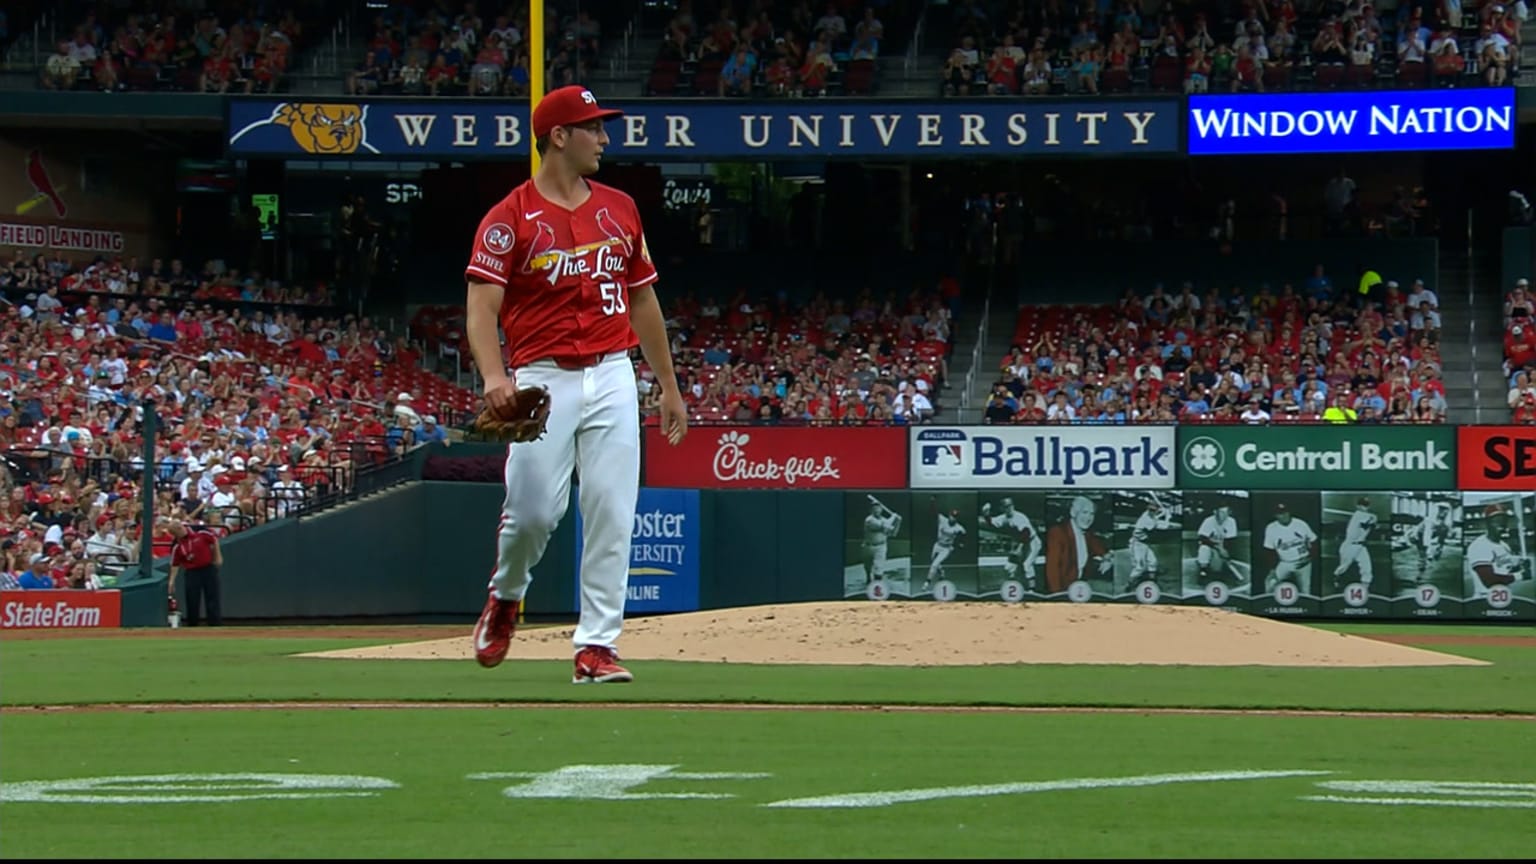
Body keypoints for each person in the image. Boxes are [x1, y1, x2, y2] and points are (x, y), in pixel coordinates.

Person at [464, 86, 688, 685]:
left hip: (614, 371)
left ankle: (596, 647)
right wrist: (493, 376)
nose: (604, 138)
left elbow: (643, 298)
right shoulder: (508, 218)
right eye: (593, 127)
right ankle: (507, 595)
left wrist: (666, 383)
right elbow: (481, 310)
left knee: (614, 512)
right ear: (558, 136)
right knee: (534, 513)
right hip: (543, 378)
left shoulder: (620, 207)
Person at [1044, 496, 1112, 593]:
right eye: (1084, 512)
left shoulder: (1087, 534)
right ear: (1073, 513)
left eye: (1091, 514)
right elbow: (1052, 569)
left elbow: (1101, 550)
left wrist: (1107, 559)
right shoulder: (1058, 533)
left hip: (1078, 587)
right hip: (1062, 590)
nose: (1088, 518)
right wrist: (1057, 596)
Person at [166, 518, 224, 626]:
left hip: (208, 568)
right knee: (192, 600)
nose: (175, 536)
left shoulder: (200, 532)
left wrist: (218, 556)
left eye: (175, 532)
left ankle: (215, 624)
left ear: (180, 528)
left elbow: (213, 539)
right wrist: (171, 581)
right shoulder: (177, 545)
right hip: (192, 572)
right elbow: (175, 564)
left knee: (212, 597)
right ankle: (193, 625)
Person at [980, 497, 1040, 590]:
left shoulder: (1019, 517)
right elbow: (992, 523)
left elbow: (1026, 533)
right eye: (1006, 506)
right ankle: (1013, 588)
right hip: (1022, 542)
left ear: (1013, 506)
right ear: (1002, 508)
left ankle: (1032, 591)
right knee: (1009, 567)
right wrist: (986, 515)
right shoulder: (1004, 517)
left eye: (1010, 505)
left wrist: (1019, 548)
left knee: (1027, 565)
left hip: (1032, 542)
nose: (1009, 508)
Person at [1262, 502, 1317, 595]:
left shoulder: (1301, 524)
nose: (1284, 516)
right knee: (1270, 583)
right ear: (1275, 515)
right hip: (1285, 563)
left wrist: (1311, 558)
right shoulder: (1271, 528)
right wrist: (1272, 569)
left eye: (1285, 512)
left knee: (1305, 591)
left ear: (1289, 512)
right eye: (1280, 513)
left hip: (1303, 563)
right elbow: (1269, 550)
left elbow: (1314, 541)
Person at [1125, 496, 1174, 592]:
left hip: (1145, 544)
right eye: (1151, 510)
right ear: (1148, 510)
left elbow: (1155, 518)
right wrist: (1167, 517)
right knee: (1140, 567)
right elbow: (1158, 528)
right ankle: (1129, 584)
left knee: (1153, 562)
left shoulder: (1148, 515)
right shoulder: (1146, 519)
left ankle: (1152, 581)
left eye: (1154, 510)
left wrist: (1162, 513)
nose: (1153, 511)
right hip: (1137, 544)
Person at [1331, 496, 1379, 592]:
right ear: (1358, 506)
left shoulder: (1364, 515)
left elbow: (1373, 525)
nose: (1365, 507)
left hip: (1361, 546)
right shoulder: (1358, 515)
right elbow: (1369, 522)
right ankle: (1336, 578)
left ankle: (1365, 588)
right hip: (1350, 546)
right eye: (1362, 505)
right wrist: (1374, 518)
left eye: (1366, 505)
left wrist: (1374, 520)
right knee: (1343, 567)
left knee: (1367, 568)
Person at [922, 498, 966, 591]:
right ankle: (942, 572)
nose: (952, 518)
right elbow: (934, 512)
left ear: (957, 518)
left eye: (955, 517)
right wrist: (932, 502)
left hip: (946, 549)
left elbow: (963, 535)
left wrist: (961, 543)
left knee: (934, 565)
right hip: (937, 545)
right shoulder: (942, 519)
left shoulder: (959, 528)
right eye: (952, 516)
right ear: (949, 515)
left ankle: (927, 583)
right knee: (934, 561)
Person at [861, 496, 903, 588]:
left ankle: (876, 587)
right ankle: (868, 578)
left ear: (881, 510)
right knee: (867, 566)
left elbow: (893, 533)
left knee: (878, 568)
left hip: (881, 547)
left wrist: (898, 522)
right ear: (871, 510)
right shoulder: (869, 520)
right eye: (874, 508)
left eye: (878, 508)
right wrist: (894, 517)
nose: (876, 510)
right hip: (868, 547)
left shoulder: (884, 519)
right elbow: (885, 526)